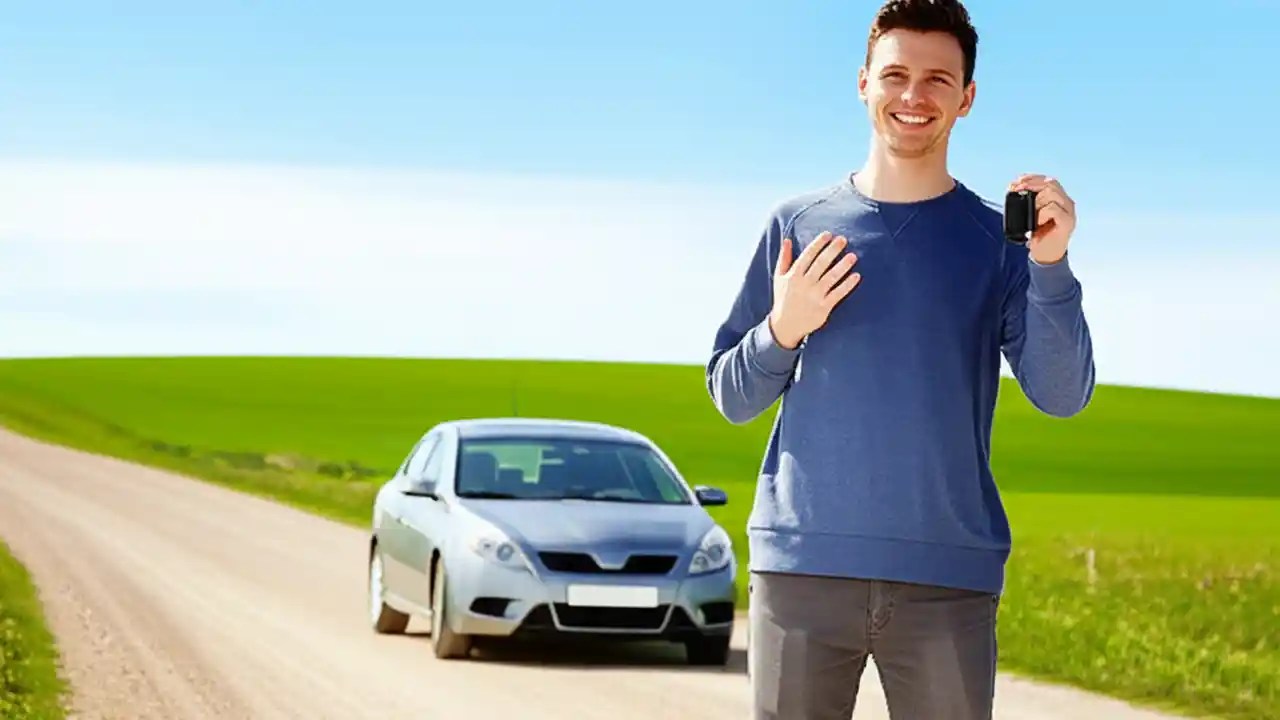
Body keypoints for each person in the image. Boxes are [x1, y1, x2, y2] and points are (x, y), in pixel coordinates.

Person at [704, 1, 1096, 718]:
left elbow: (1062, 393)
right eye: (895, 75)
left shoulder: (996, 244)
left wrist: (1051, 265)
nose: (913, 96)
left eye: (938, 80)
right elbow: (731, 394)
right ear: (863, 84)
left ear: (966, 97)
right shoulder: (795, 226)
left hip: (948, 581)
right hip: (803, 572)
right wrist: (783, 328)